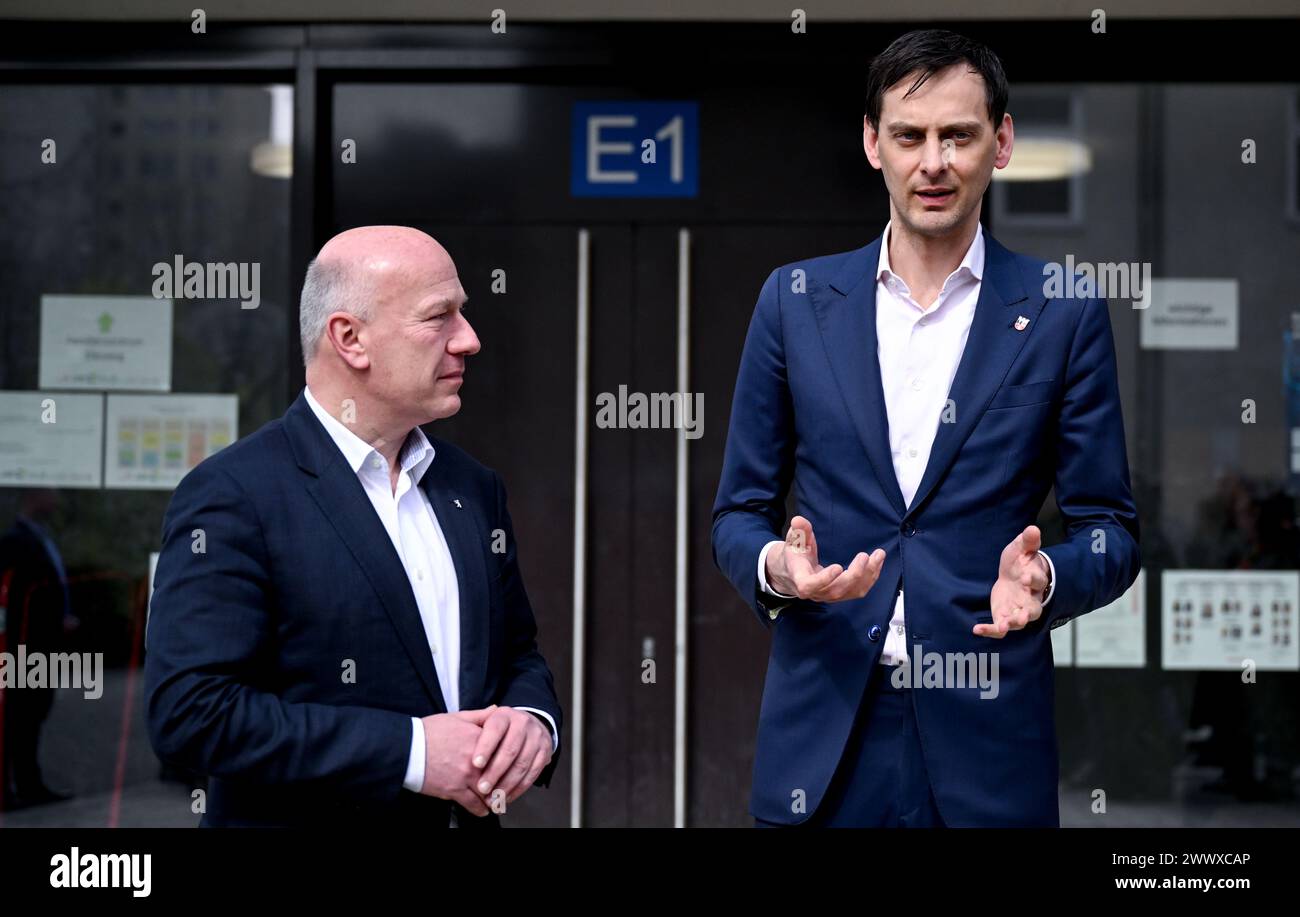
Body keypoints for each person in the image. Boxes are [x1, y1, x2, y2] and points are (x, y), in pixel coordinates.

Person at [711, 29, 1140, 827]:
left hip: (987, 740)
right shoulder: (793, 301)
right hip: (827, 734)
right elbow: (736, 512)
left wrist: (1046, 581)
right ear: (873, 143)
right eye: (909, 135)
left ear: (1001, 142)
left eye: (958, 135)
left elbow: (1112, 530)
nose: (932, 162)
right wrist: (780, 569)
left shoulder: (1063, 312)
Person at [145, 226, 562, 827]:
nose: (468, 340)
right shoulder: (235, 495)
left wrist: (532, 722)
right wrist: (412, 753)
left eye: (462, 314)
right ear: (350, 339)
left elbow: (517, 653)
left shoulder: (473, 489)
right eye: (438, 317)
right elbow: (192, 714)